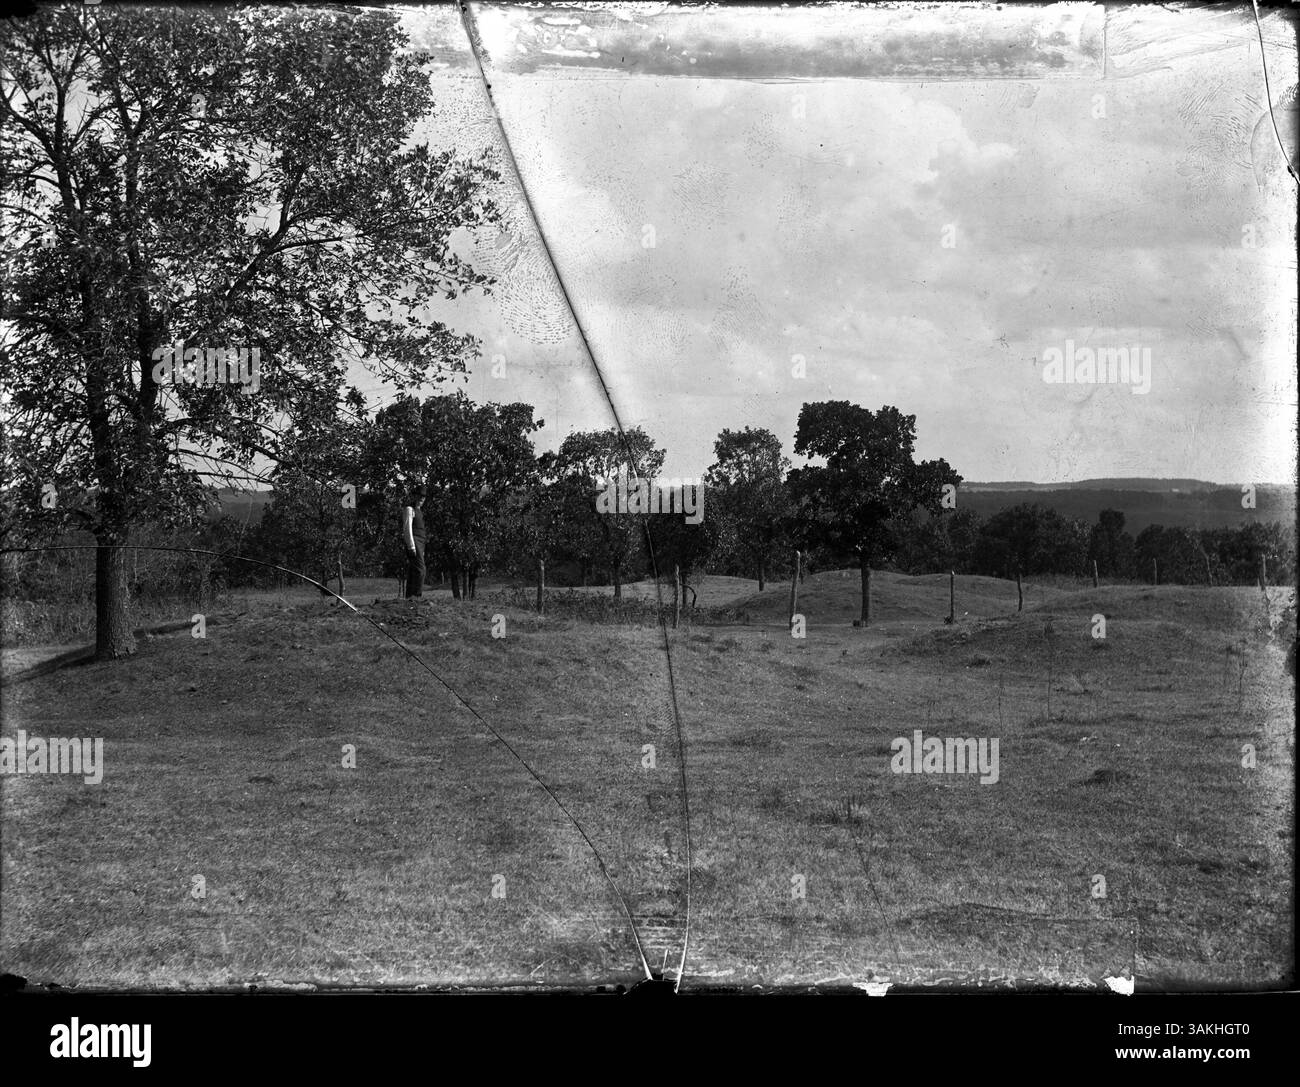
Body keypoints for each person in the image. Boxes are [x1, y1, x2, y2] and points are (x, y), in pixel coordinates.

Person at [402, 484, 427, 600]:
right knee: (421, 570)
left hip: (421, 543)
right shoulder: (409, 509)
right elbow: (407, 529)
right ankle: (417, 597)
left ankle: (409, 598)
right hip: (414, 541)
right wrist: (411, 546)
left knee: (413, 570)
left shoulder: (420, 511)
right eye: (420, 496)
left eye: (424, 496)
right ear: (415, 496)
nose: (421, 498)